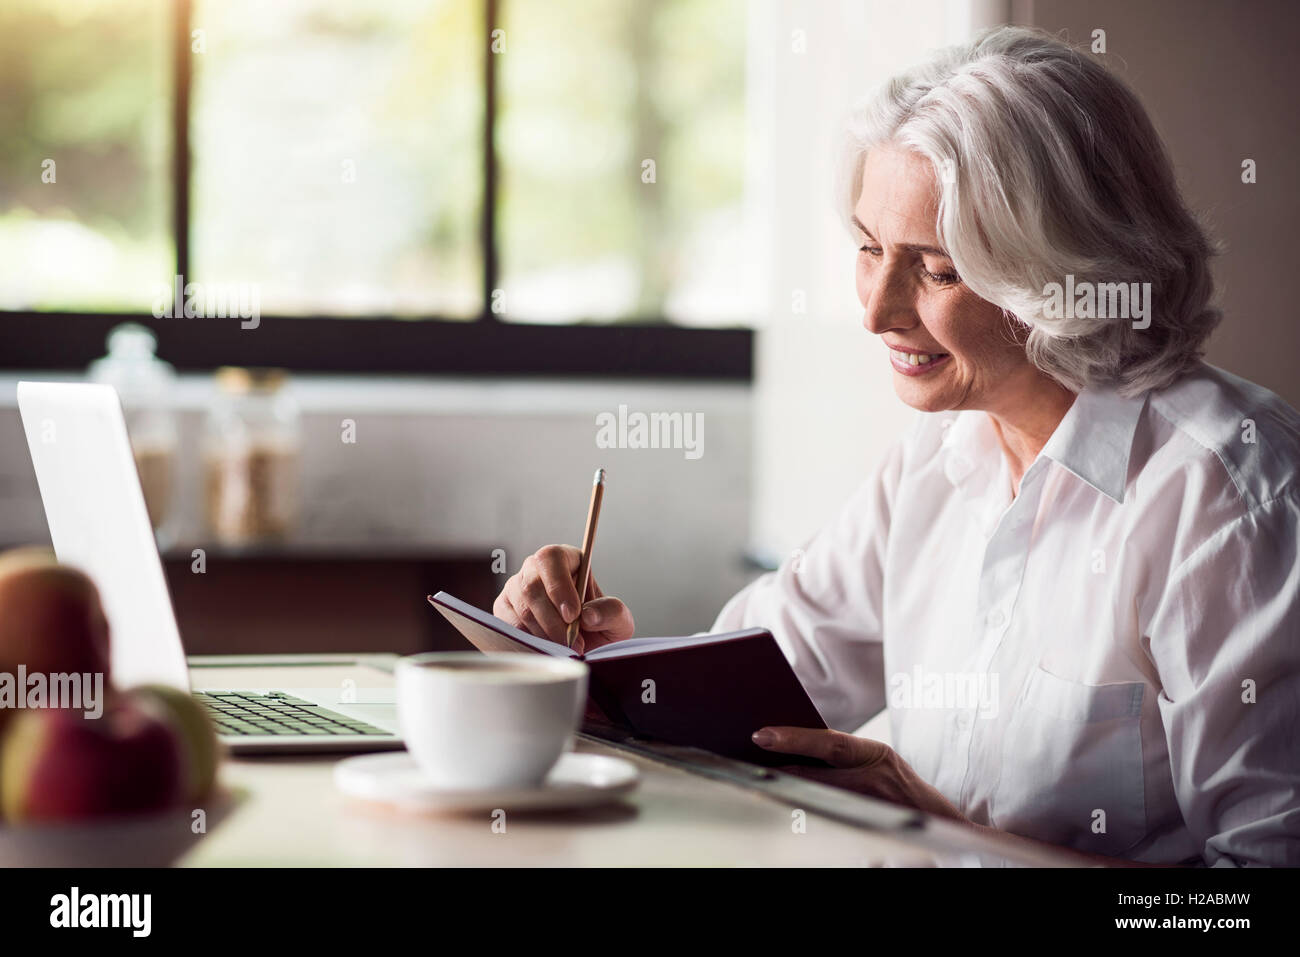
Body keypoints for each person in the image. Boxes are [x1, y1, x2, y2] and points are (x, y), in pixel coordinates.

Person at [493, 25, 1300, 867]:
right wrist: (602, 666)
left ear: (1065, 273)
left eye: (937, 270)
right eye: (870, 250)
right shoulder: (937, 456)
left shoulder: (1231, 498)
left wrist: (943, 833)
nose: (878, 311)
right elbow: (761, 696)